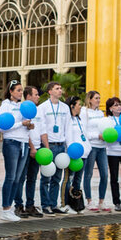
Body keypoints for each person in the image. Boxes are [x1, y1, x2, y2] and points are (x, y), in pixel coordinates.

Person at [0, 80, 31, 221]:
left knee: (18, 178)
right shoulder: (6, 105)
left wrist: (28, 125)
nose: (20, 92)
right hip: (11, 142)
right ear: (10, 91)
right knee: (10, 177)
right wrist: (21, 124)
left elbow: (24, 123)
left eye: (21, 90)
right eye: (17, 90)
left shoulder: (23, 106)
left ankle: (10, 208)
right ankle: (5, 208)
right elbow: (4, 126)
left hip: (23, 142)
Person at [39, 82, 71, 215]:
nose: (60, 90)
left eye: (60, 88)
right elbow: (42, 128)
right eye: (57, 89)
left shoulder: (65, 108)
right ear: (50, 91)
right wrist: (46, 148)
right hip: (49, 145)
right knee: (46, 176)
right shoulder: (43, 107)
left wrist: (67, 146)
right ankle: (45, 205)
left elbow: (68, 128)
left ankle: (53, 204)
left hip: (61, 145)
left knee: (57, 177)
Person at [18, 85, 45, 218]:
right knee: (21, 178)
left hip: (38, 149)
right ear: (28, 96)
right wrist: (32, 147)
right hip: (27, 148)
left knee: (32, 179)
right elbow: (24, 131)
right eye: (36, 94)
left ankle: (30, 205)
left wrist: (45, 147)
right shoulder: (22, 110)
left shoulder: (39, 111)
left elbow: (42, 131)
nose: (38, 97)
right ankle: (18, 205)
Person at [82, 91, 109, 212]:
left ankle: (101, 201)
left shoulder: (100, 113)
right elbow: (84, 130)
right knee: (88, 174)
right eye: (96, 98)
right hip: (91, 146)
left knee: (104, 174)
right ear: (90, 99)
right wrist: (97, 136)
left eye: (99, 98)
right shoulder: (85, 112)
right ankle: (89, 200)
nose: (98, 100)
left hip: (102, 147)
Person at [65, 95, 91, 211]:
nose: (81, 107)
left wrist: (87, 148)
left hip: (83, 154)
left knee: (78, 180)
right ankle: (66, 203)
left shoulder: (80, 119)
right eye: (79, 104)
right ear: (72, 106)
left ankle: (75, 203)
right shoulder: (68, 120)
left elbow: (85, 135)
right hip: (73, 154)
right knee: (69, 179)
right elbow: (68, 137)